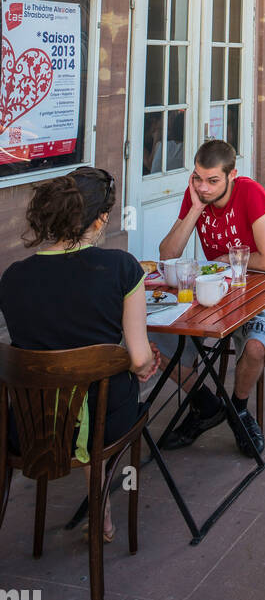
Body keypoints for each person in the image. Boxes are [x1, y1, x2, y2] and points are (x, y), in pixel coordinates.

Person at [0, 167, 160, 541]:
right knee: (99, 393)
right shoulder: (121, 267)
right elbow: (138, 359)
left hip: (28, 428)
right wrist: (145, 362)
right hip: (100, 424)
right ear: (101, 218)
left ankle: (96, 506)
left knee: (82, 390)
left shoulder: (12, 277)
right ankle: (103, 512)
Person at [156, 139, 265, 456]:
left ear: (232, 175)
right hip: (214, 292)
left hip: (263, 288)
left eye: (213, 180)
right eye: (198, 178)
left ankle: (238, 409)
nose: (204, 187)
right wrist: (195, 209)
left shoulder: (250, 192)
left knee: (256, 347)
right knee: (151, 338)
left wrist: (225, 259)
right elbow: (167, 256)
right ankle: (205, 403)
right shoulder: (197, 199)